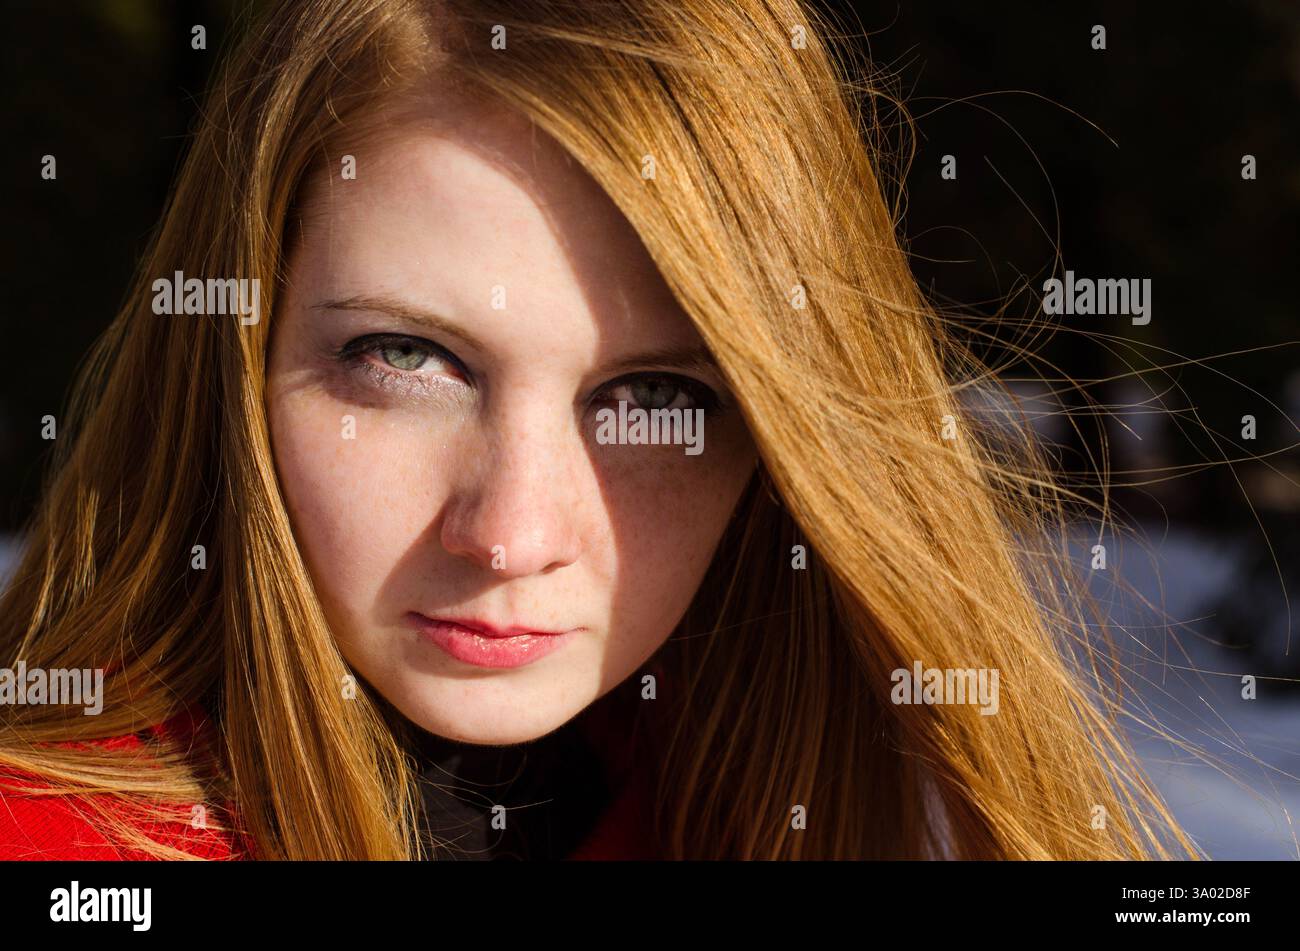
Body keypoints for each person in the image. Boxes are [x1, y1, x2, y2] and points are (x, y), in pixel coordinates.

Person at [0, 0, 1197, 860]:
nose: (512, 537)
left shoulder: (795, 797)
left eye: (660, 400)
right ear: (235, 356)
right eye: (406, 357)